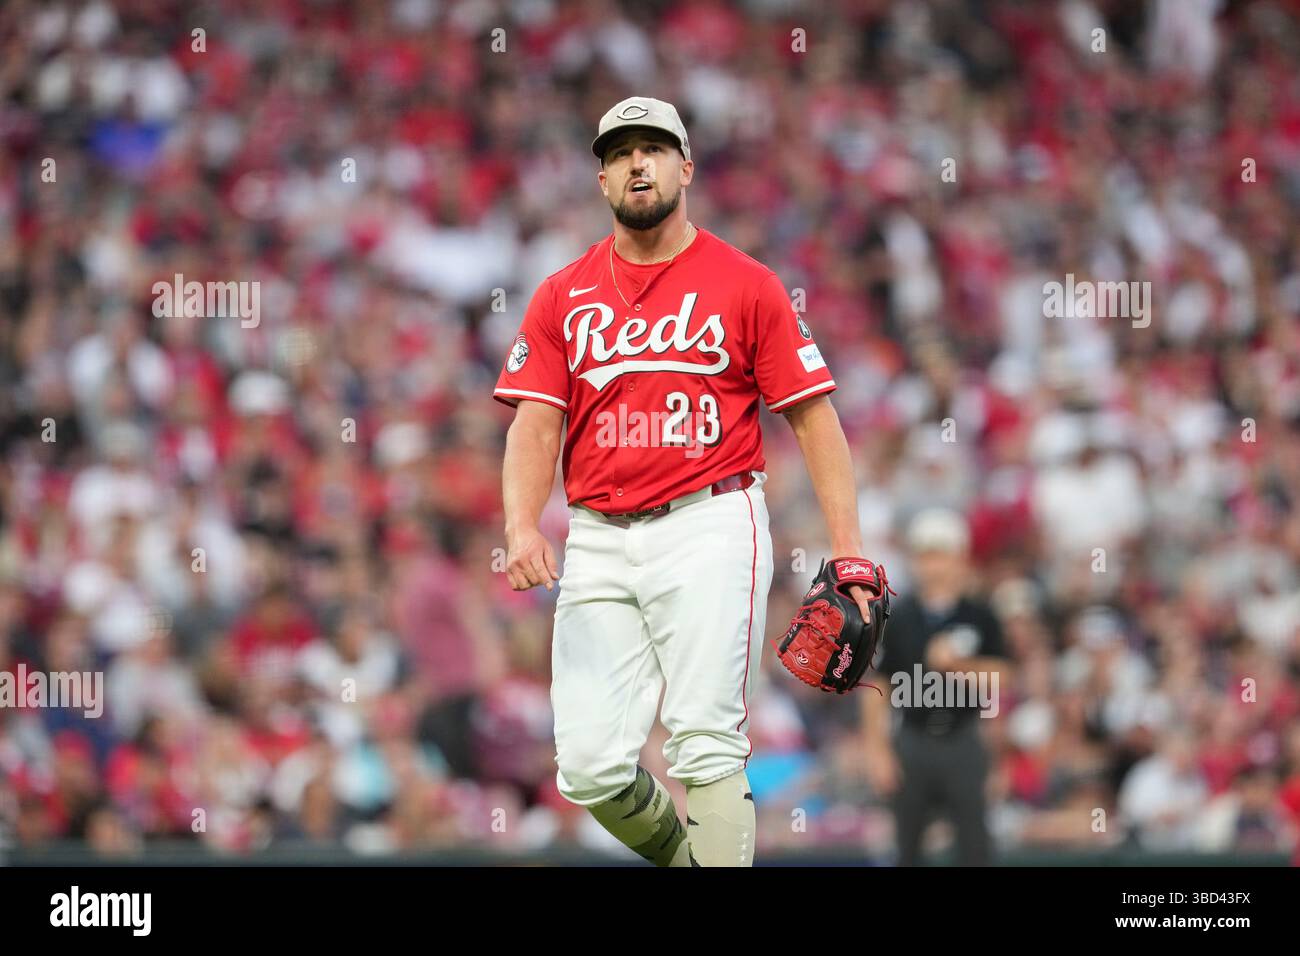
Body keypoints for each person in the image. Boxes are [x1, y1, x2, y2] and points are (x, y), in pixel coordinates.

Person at [495, 96, 884, 866]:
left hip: (709, 521)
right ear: (602, 178)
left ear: (686, 167)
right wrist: (518, 524)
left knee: (704, 737)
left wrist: (849, 553)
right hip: (599, 535)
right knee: (588, 765)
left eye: (654, 148)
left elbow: (814, 417)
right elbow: (535, 424)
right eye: (621, 152)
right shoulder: (561, 294)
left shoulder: (746, 283)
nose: (638, 162)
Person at [861, 508, 1010, 865]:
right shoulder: (899, 617)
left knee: (975, 845)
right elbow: (878, 686)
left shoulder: (980, 614)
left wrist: (958, 666)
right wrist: (878, 752)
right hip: (913, 739)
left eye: (941, 555)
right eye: (926, 556)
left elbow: (1004, 677)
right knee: (908, 845)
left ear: (960, 559)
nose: (934, 567)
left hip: (963, 738)